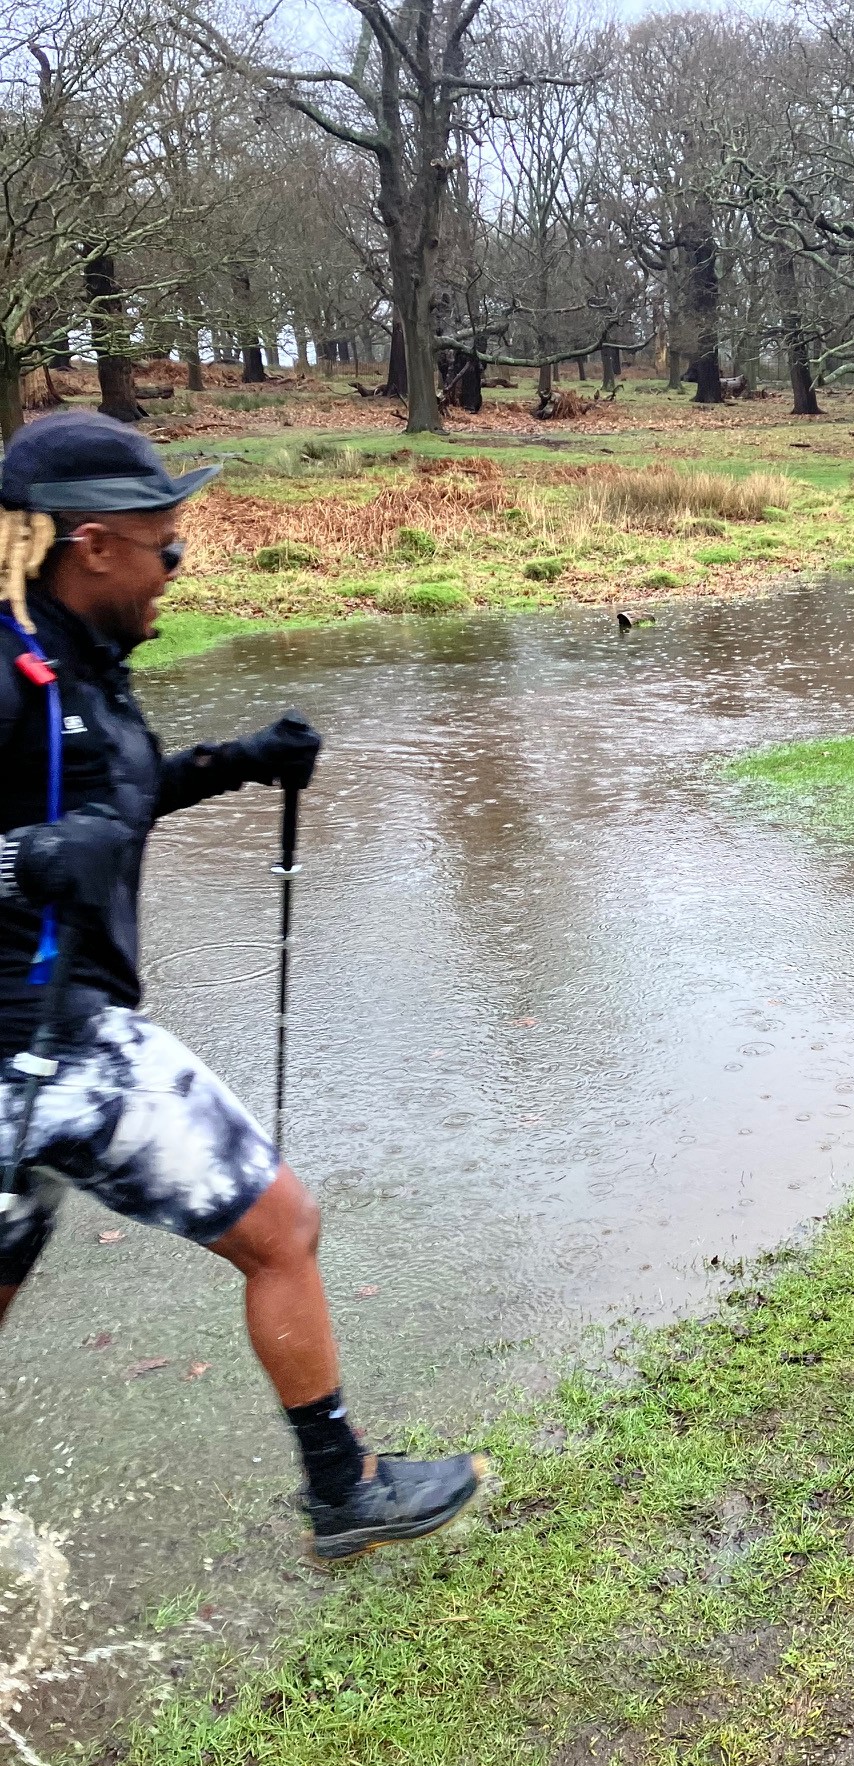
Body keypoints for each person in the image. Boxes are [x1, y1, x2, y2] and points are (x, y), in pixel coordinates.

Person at [0, 411, 482, 1561]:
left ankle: (342, 1486)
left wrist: (235, 764)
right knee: (282, 1225)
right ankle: (344, 1487)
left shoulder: (76, 659)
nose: (180, 567)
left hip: (62, 1049)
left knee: (270, 1226)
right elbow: (50, 840)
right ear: (93, 542)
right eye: (167, 547)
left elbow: (107, 806)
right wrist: (19, 860)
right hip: (34, 1051)